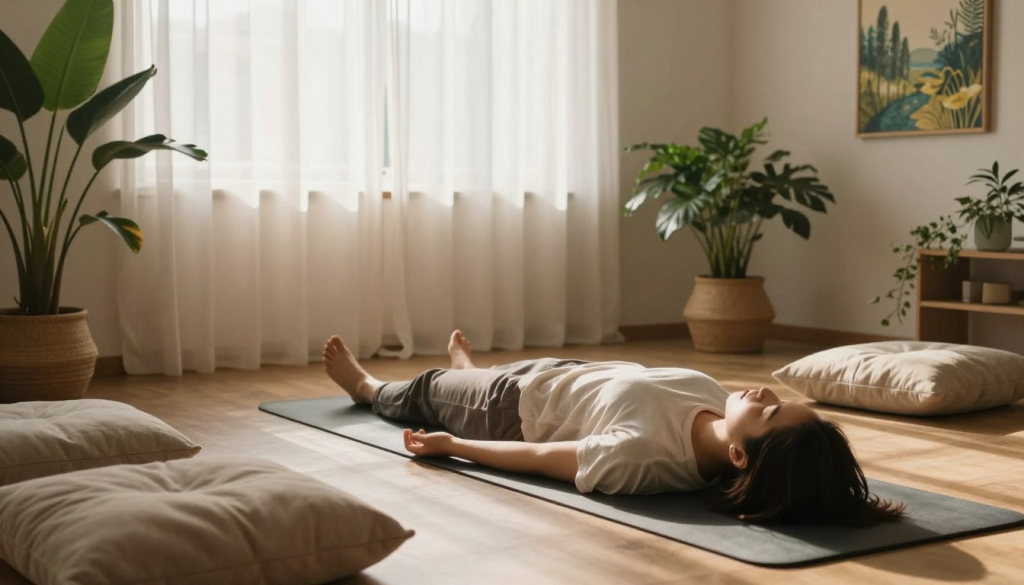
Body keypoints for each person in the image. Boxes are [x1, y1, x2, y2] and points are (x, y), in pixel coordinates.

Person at [322, 330, 905, 526]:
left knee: (425, 390)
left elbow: (544, 459)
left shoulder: (642, 460)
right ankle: (468, 371)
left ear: (738, 458)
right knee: (468, 378)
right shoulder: (716, 400)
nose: (763, 394)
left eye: (769, 412)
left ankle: (368, 389)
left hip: (506, 408)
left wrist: (455, 446)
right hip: (559, 374)